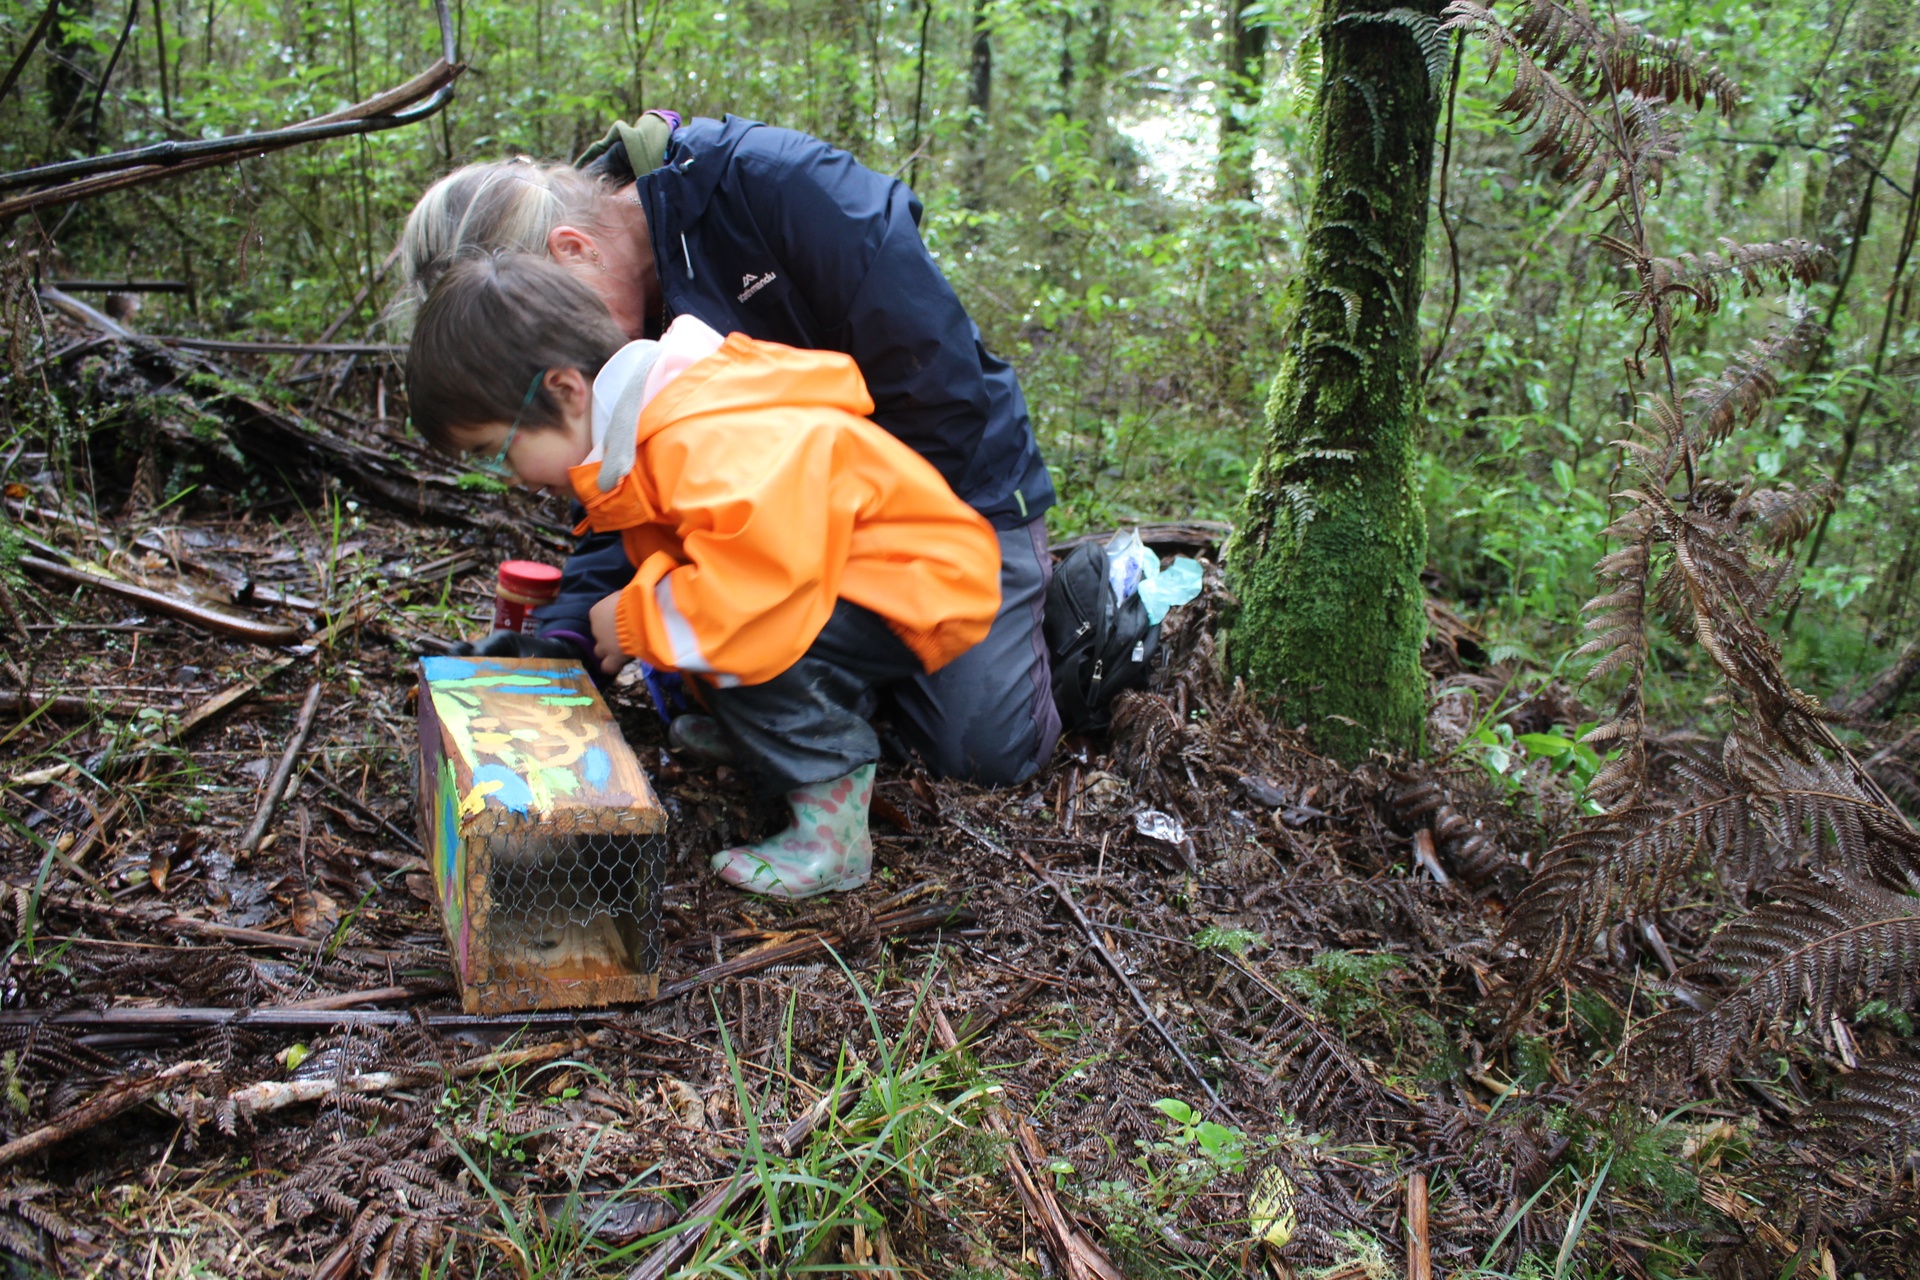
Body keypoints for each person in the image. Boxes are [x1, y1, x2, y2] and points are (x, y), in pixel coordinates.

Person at [395, 111, 1059, 785]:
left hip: (945, 501)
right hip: (786, 524)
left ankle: (1074, 613)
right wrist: (568, 641)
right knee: (718, 625)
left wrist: (812, 594)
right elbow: (626, 505)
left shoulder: (776, 188)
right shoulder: (609, 346)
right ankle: (824, 679)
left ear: (571, 252)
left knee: (974, 754)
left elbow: (945, 395)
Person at [405, 251, 1002, 899]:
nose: (507, 475)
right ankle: (764, 731)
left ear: (565, 390)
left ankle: (833, 831)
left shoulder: (705, 436)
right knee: (694, 611)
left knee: (732, 631)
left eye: (498, 450)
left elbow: (758, 593)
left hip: (912, 587)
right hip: (853, 579)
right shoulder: (656, 425)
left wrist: (636, 617)